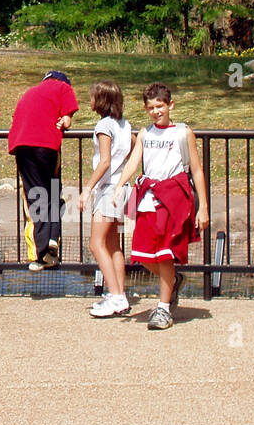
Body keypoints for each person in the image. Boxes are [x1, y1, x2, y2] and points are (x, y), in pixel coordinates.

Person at [111, 83, 209, 331]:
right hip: (149, 198)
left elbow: (196, 170)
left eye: (160, 106)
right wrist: (120, 185)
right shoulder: (145, 134)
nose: (156, 111)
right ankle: (173, 280)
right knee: (143, 255)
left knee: (165, 253)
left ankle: (163, 308)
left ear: (170, 105)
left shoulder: (183, 133)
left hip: (173, 197)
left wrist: (203, 206)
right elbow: (134, 161)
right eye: (151, 108)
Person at [8, 69, 79, 270]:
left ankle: (39, 253)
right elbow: (67, 117)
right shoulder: (63, 87)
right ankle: (52, 238)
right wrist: (66, 120)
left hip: (22, 146)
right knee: (54, 192)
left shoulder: (29, 92)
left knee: (35, 197)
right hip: (47, 146)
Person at [78, 81, 135, 317]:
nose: (89, 100)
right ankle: (119, 293)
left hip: (109, 189)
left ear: (101, 100)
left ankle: (115, 296)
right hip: (121, 188)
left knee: (96, 243)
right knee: (113, 245)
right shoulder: (124, 124)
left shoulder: (104, 126)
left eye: (92, 97)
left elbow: (105, 161)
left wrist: (87, 189)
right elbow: (131, 146)